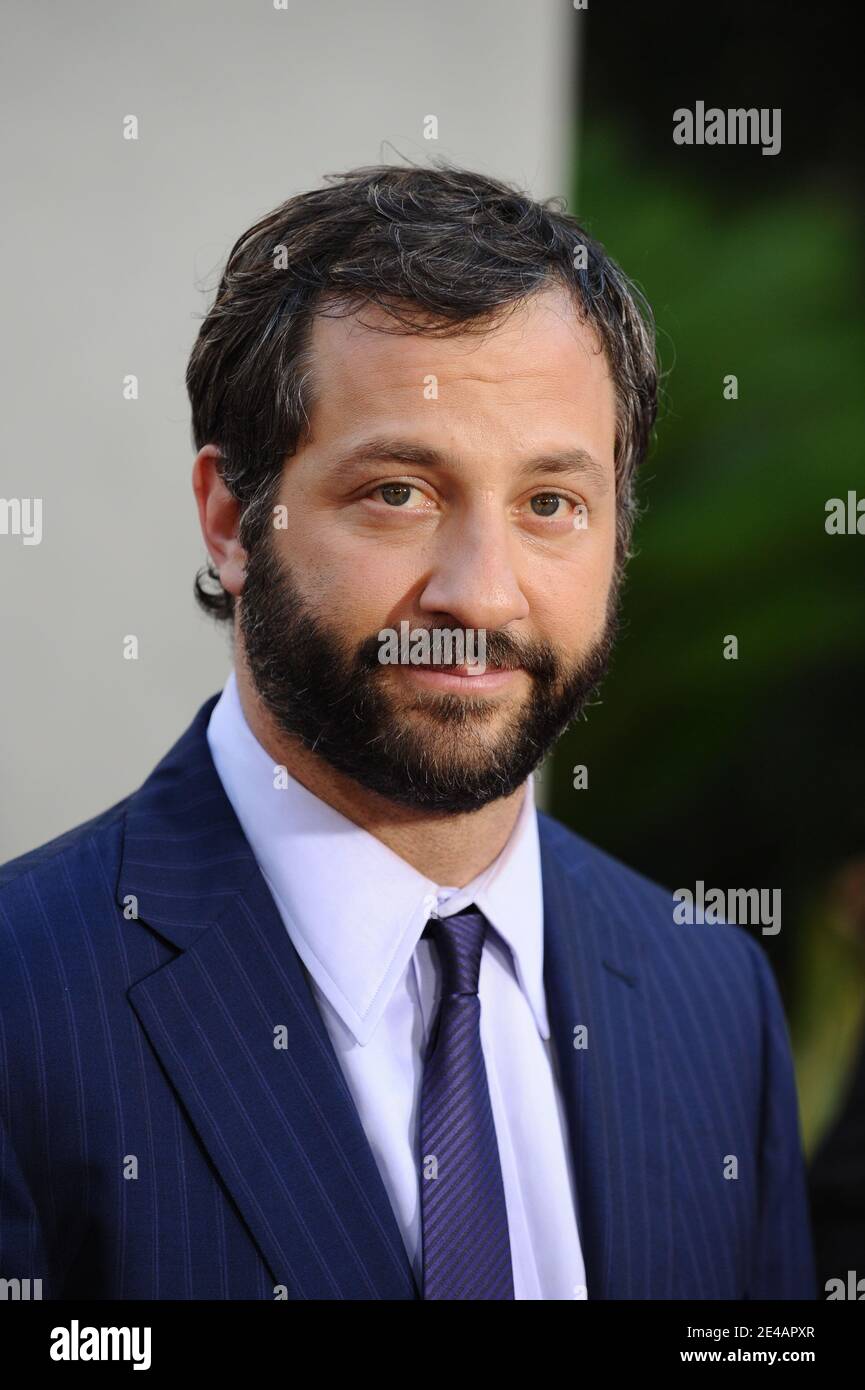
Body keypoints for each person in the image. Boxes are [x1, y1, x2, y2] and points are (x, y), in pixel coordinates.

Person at [0, 163, 815, 1300]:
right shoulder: (21, 1001)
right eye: (398, 492)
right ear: (234, 521)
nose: (480, 597)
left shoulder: (710, 995)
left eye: (550, 504)